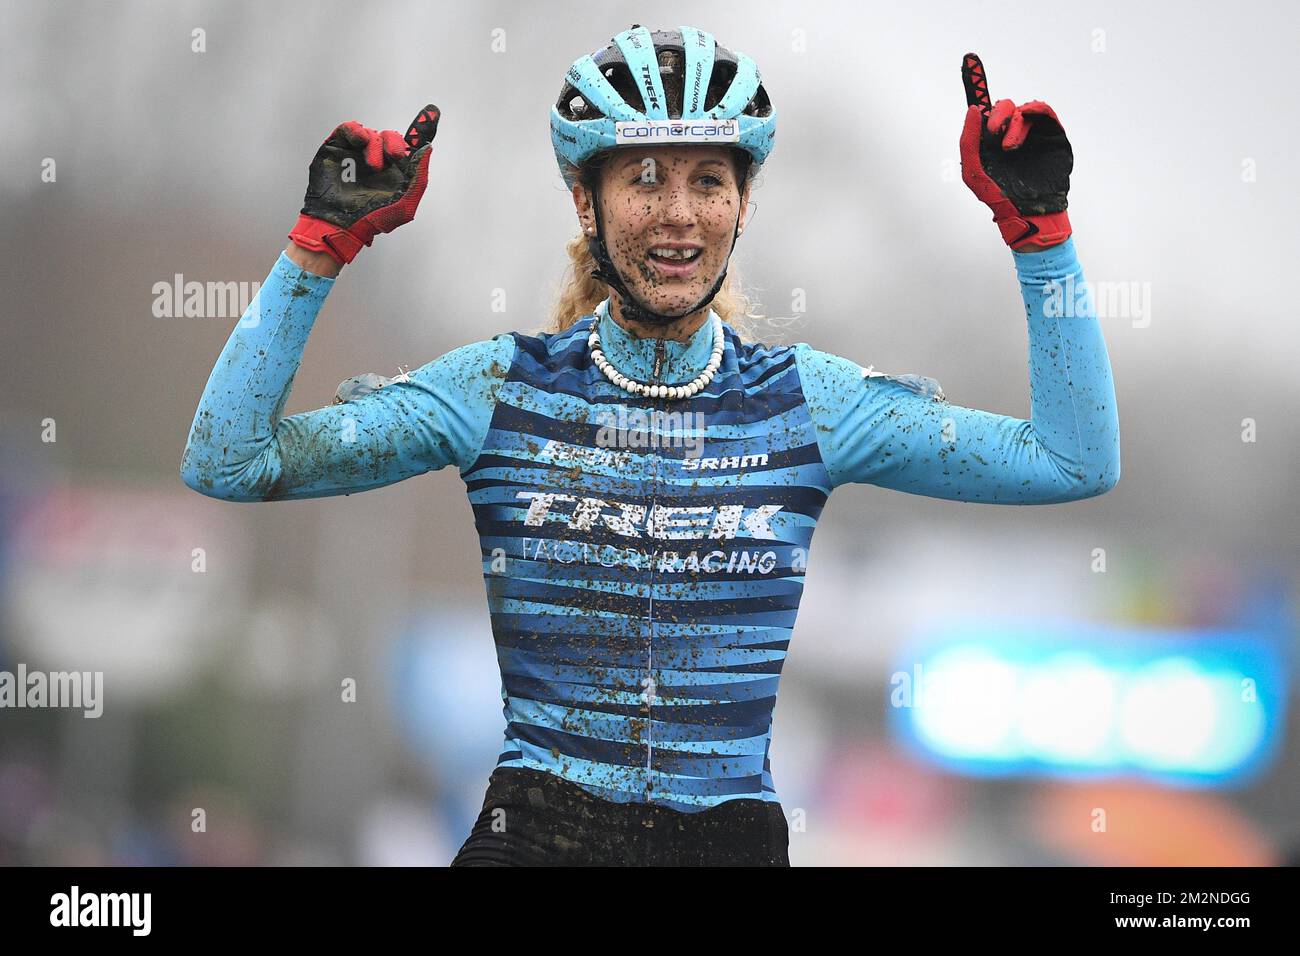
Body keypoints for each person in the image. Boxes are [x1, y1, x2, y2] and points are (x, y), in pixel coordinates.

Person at [180, 26, 1119, 866]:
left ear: (743, 205)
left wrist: (1041, 237)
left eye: (708, 179)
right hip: (537, 834)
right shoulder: (498, 390)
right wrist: (316, 248)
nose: (679, 213)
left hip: (729, 842)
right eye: (643, 178)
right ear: (586, 206)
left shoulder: (809, 403)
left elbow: (1073, 461)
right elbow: (226, 460)